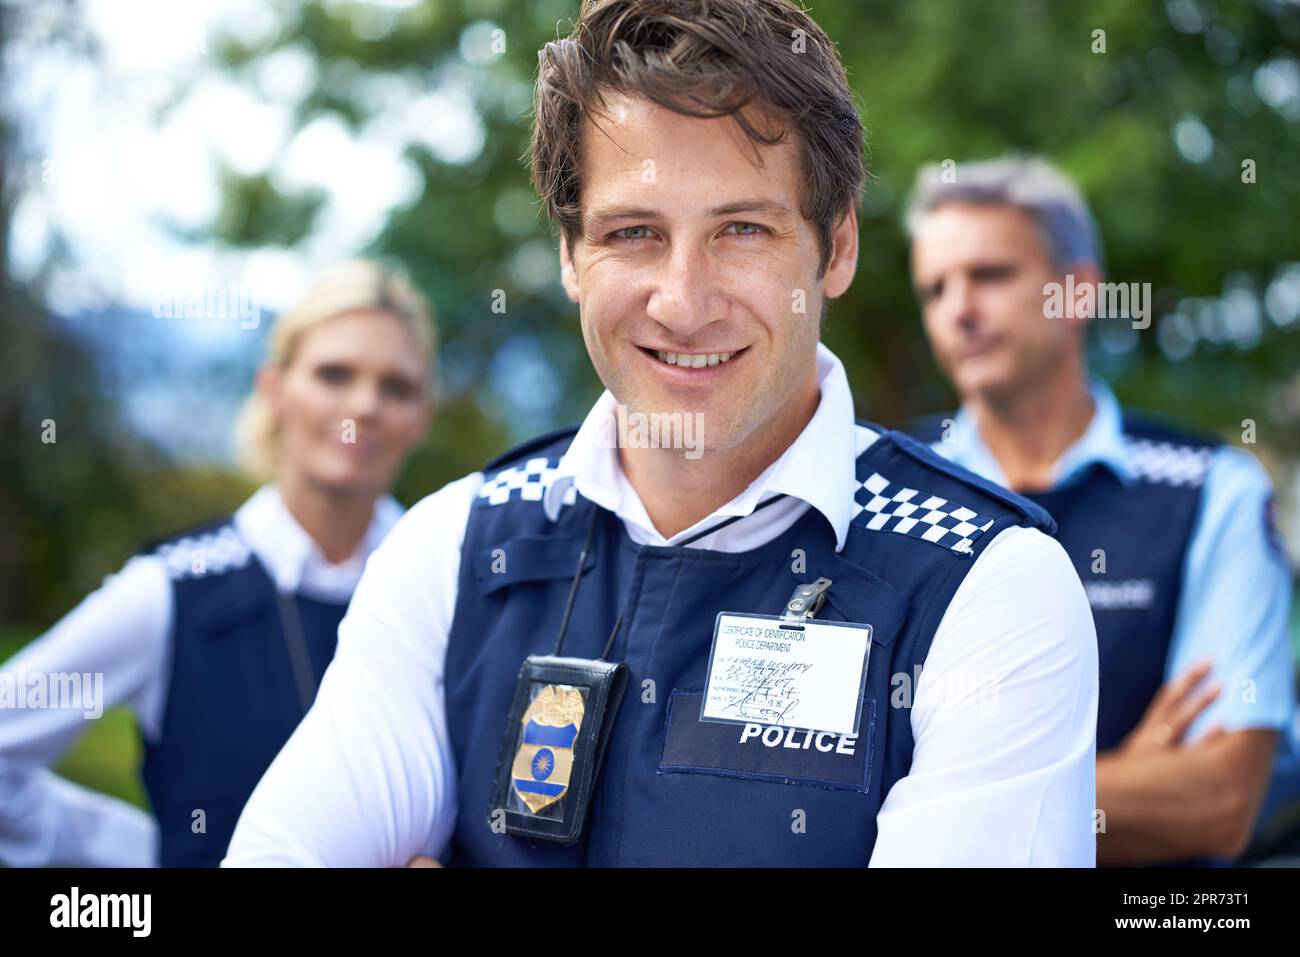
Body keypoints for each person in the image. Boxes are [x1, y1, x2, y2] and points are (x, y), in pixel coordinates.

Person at [225, 0, 1097, 868]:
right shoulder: (452, 548)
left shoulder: (987, 583)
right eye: (633, 233)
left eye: (742, 229)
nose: (682, 302)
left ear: (835, 249)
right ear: (570, 256)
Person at [904, 155, 1296, 865]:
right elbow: (821, 782)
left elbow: (1218, 801)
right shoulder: (890, 483)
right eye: (934, 288)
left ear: (1078, 292)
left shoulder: (1212, 490)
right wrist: (1116, 779)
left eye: (990, 275)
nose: (958, 309)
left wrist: (920, 795)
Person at [0, 260, 436, 866]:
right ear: (275, 389)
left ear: (422, 417)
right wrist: (141, 853)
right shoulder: (173, 591)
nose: (364, 404)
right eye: (334, 374)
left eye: (397, 386)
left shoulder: (449, 578)